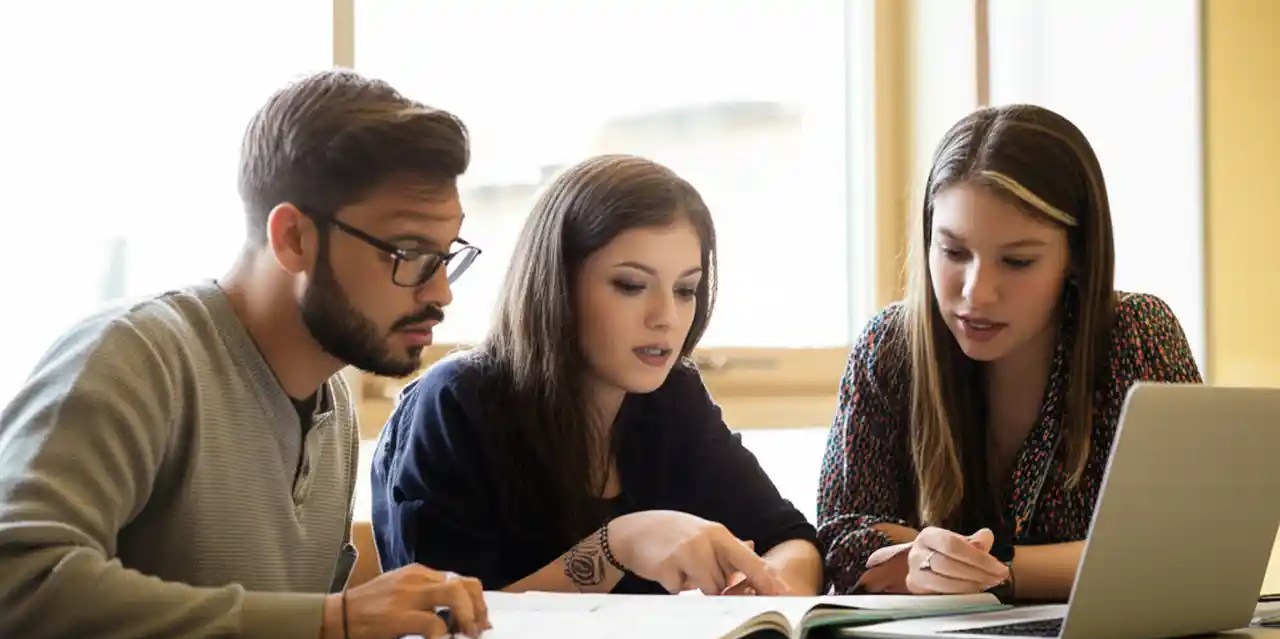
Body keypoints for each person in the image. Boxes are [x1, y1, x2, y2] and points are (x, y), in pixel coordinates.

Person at [0, 69, 490, 639]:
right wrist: (332, 622)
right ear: (293, 239)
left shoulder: (331, 403)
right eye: (410, 254)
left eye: (446, 257)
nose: (441, 292)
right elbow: (15, 584)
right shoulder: (137, 357)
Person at [371, 154, 823, 597]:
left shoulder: (673, 397)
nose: (665, 317)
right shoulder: (456, 403)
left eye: (686, 290)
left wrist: (771, 591)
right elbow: (447, 618)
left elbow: (791, 538)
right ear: (557, 285)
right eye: (630, 285)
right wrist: (618, 546)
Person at [817, 104, 1202, 601]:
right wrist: (920, 562)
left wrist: (988, 570)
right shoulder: (888, 348)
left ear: (1077, 258)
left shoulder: (1136, 334)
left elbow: (1186, 547)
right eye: (953, 252)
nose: (977, 293)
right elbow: (841, 539)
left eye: (1017, 261)